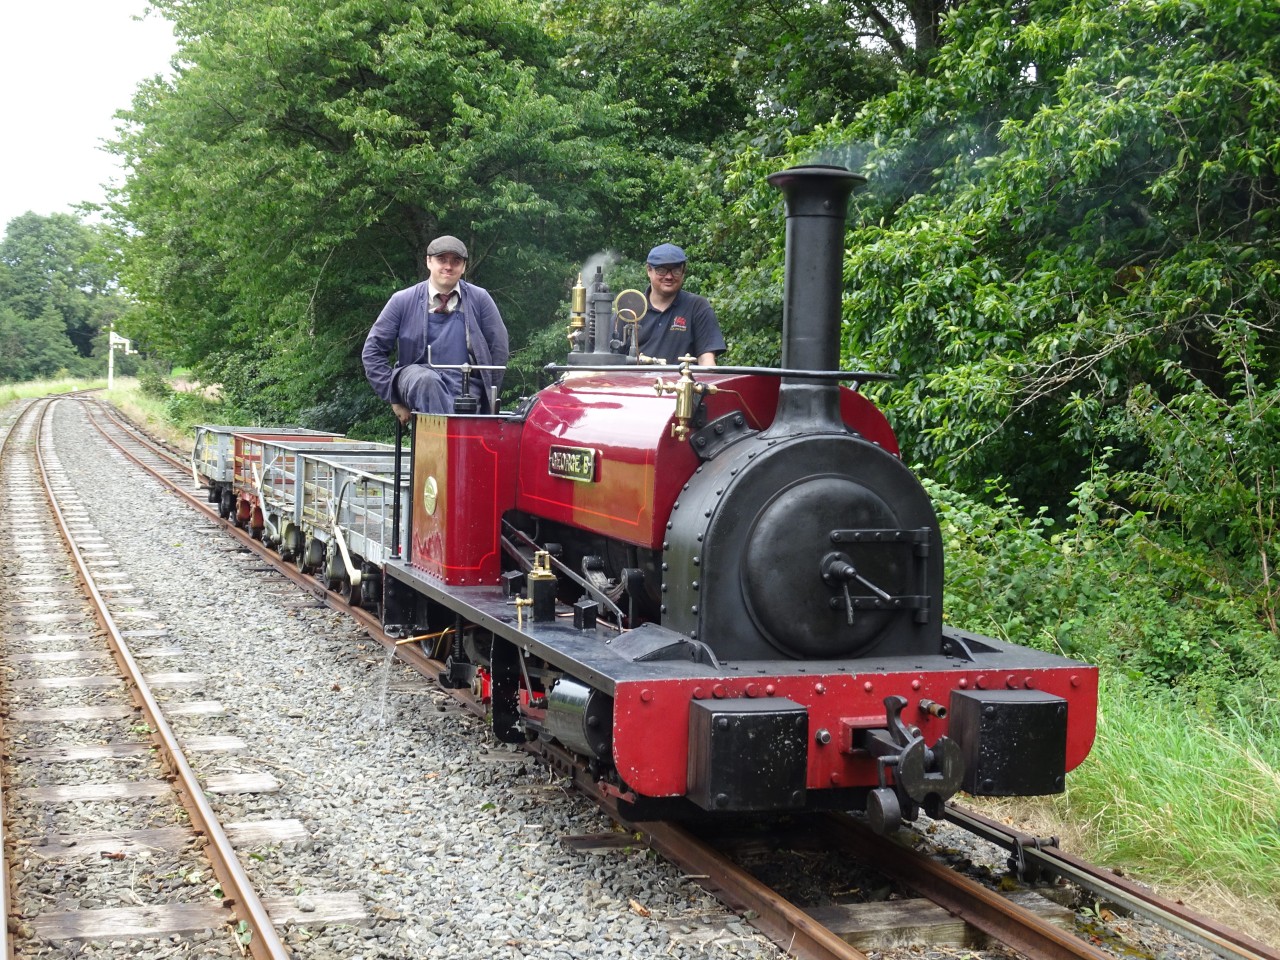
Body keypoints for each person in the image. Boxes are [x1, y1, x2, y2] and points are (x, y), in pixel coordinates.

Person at [362, 235, 509, 423]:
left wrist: (490, 392)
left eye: (456, 261)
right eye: (442, 260)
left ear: (463, 267)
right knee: (428, 381)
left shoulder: (480, 299)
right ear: (428, 262)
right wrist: (393, 397)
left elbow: (499, 348)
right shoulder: (402, 300)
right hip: (416, 378)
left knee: (469, 403)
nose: (448, 266)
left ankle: (455, 445)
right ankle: (449, 445)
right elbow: (372, 351)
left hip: (464, 384)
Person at [626, 243, 726, 365]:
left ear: (684, 271)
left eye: (676, 270)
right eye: (661, 270)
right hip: (636, 383)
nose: (669, 276)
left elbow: (707, 361)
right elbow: (611, 357)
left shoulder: (698, 307)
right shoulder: (630, 307)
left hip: (682, 383)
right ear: (649, 270)